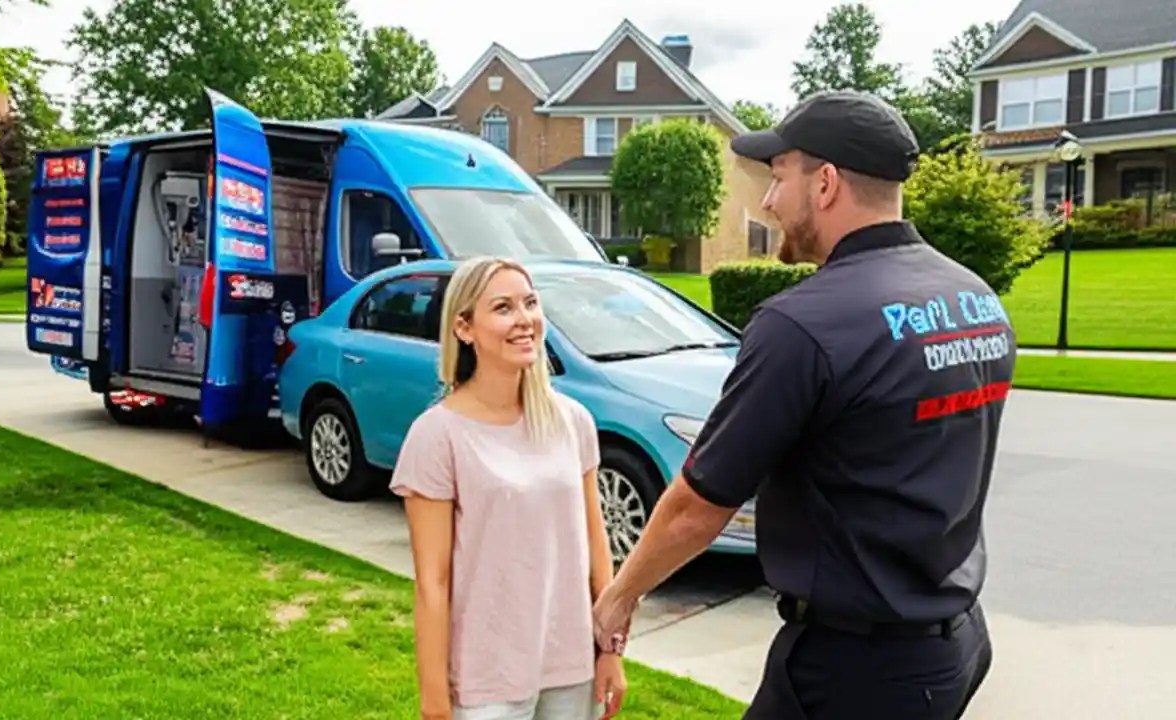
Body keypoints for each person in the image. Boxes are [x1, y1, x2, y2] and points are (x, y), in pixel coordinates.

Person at [590, 90, 1013, 719]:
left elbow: (698, 505)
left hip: (857, 670)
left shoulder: (804, 324)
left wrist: (617, 598)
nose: (767, 200)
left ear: (825, 183)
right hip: (953, 641)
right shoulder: (974, 299)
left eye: (778, 176)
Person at [391, 256, 626, 720]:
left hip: (569, 664)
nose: (524, 320)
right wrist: (434, 698)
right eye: (503, 307)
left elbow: (597, 547)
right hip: (486, 680)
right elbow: (432, 584)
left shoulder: (572, 421)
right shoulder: (437, 435)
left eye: (530, 303)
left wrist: (611, 651)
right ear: (464, 327)